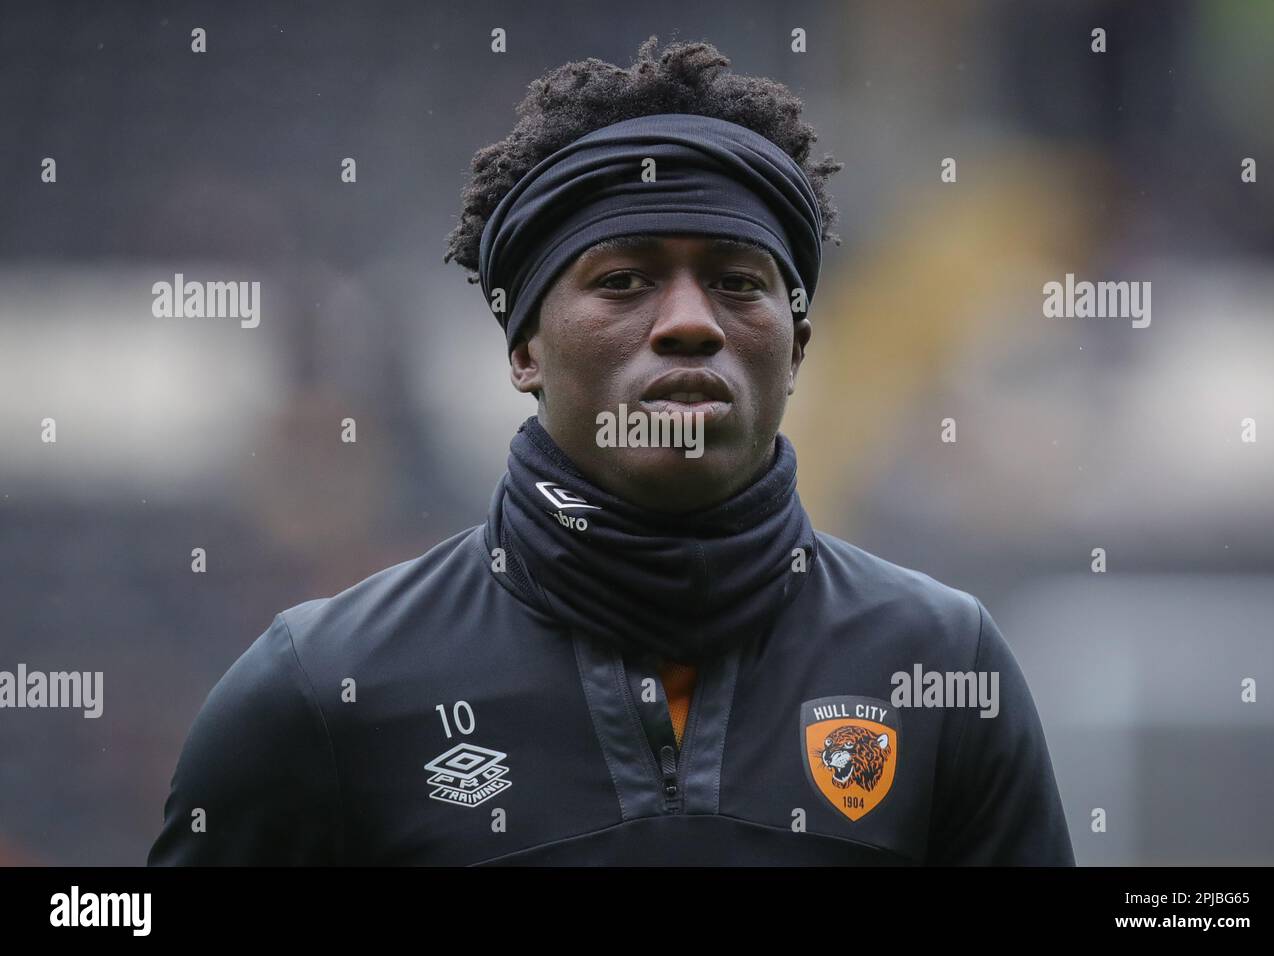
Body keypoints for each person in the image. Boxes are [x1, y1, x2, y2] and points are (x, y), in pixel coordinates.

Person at [148, 37, 1073, 866]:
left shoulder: (944, 663)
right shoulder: (323, 688)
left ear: (796, 344)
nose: (687, 323)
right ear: (524, 350)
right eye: (623, 279)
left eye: (737, 281)